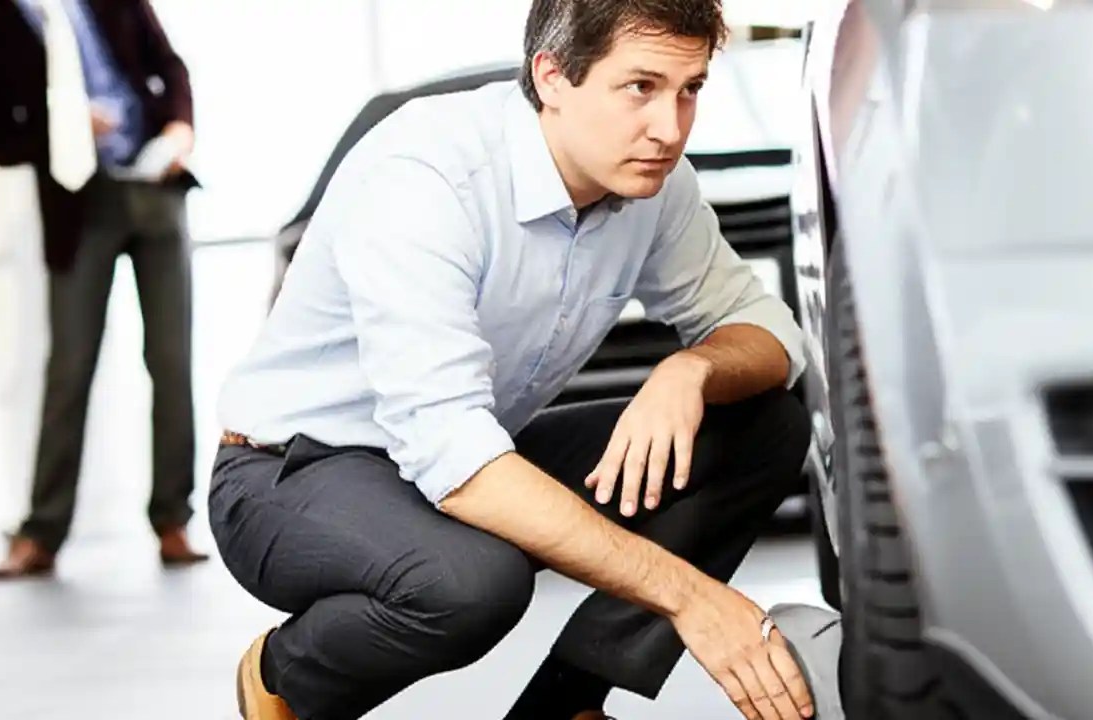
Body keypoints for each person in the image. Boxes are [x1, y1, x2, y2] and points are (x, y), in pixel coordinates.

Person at [212, 1, 816, 718]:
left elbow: (769, 330)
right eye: (640, 88)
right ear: (552, 76)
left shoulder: (653, 183)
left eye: (691, 89)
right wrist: (693, 599)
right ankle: (286, 677)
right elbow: (455, 459)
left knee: (764, 425)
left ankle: (564, 706)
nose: (670, 128)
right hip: (290, 473)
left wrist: (693, 370)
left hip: (469, 457)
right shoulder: (428, 177)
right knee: (473, 585)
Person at [0, 0, 207, 578]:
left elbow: (169, 66)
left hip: (155, 188)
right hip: (80, 208)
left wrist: (178, 126)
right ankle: (42, 533)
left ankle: (173, 519)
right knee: (69, 369)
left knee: (171, 362)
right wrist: (65, 127)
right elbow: (0, 142)